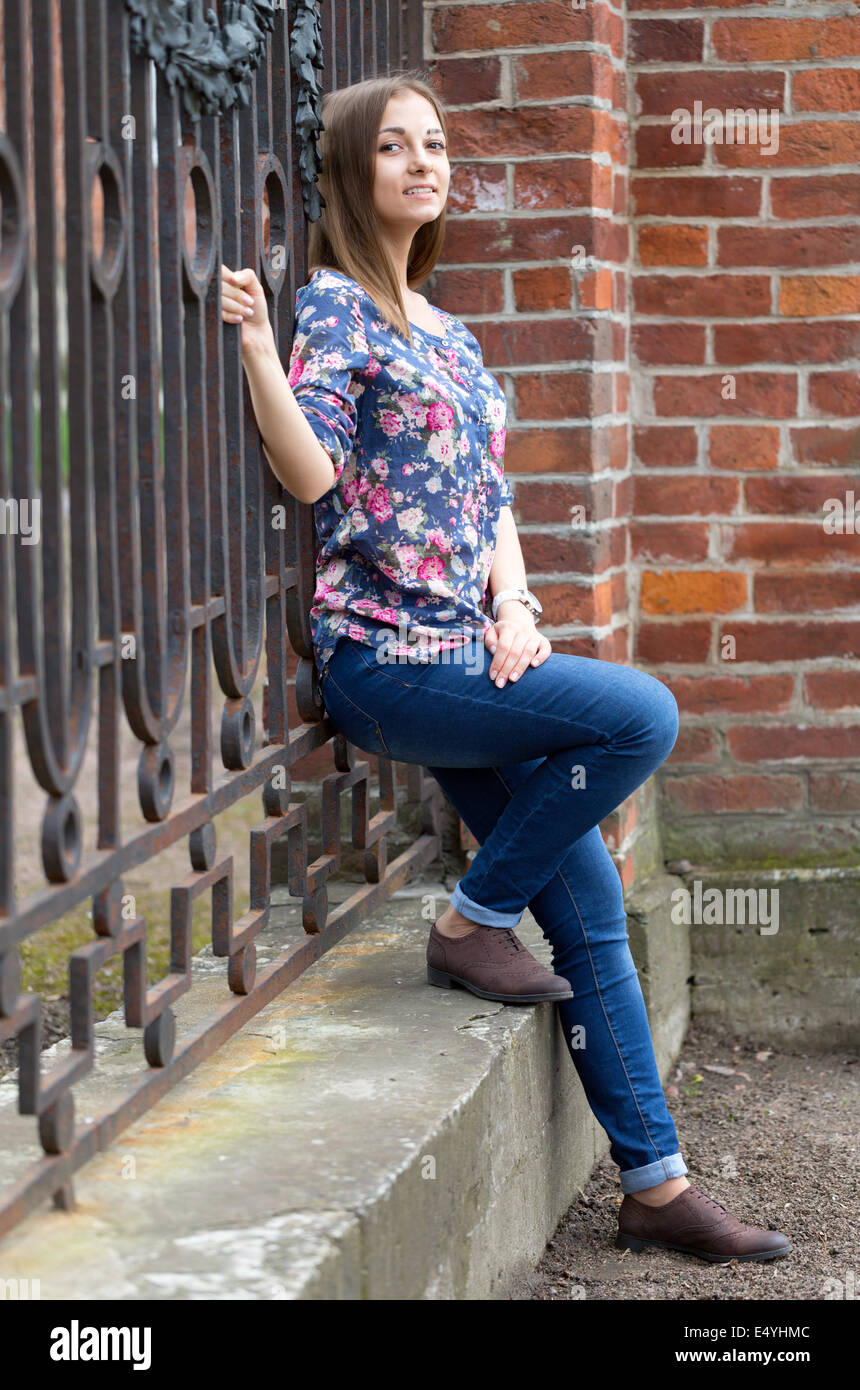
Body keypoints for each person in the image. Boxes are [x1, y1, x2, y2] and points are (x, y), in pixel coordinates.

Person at [220, 72, 791, 1267]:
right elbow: (314, 476)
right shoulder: (332, 309)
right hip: (384, 657)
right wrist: (258, 351)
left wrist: (516, 603)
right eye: (395, 147)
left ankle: (653, 1183)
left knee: (586, 912)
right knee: (639, 714)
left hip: (469, 650)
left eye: (435, 145)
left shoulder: (451, 330)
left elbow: (490, 502)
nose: (425, 163)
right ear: (348, 170)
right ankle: (471, 915)